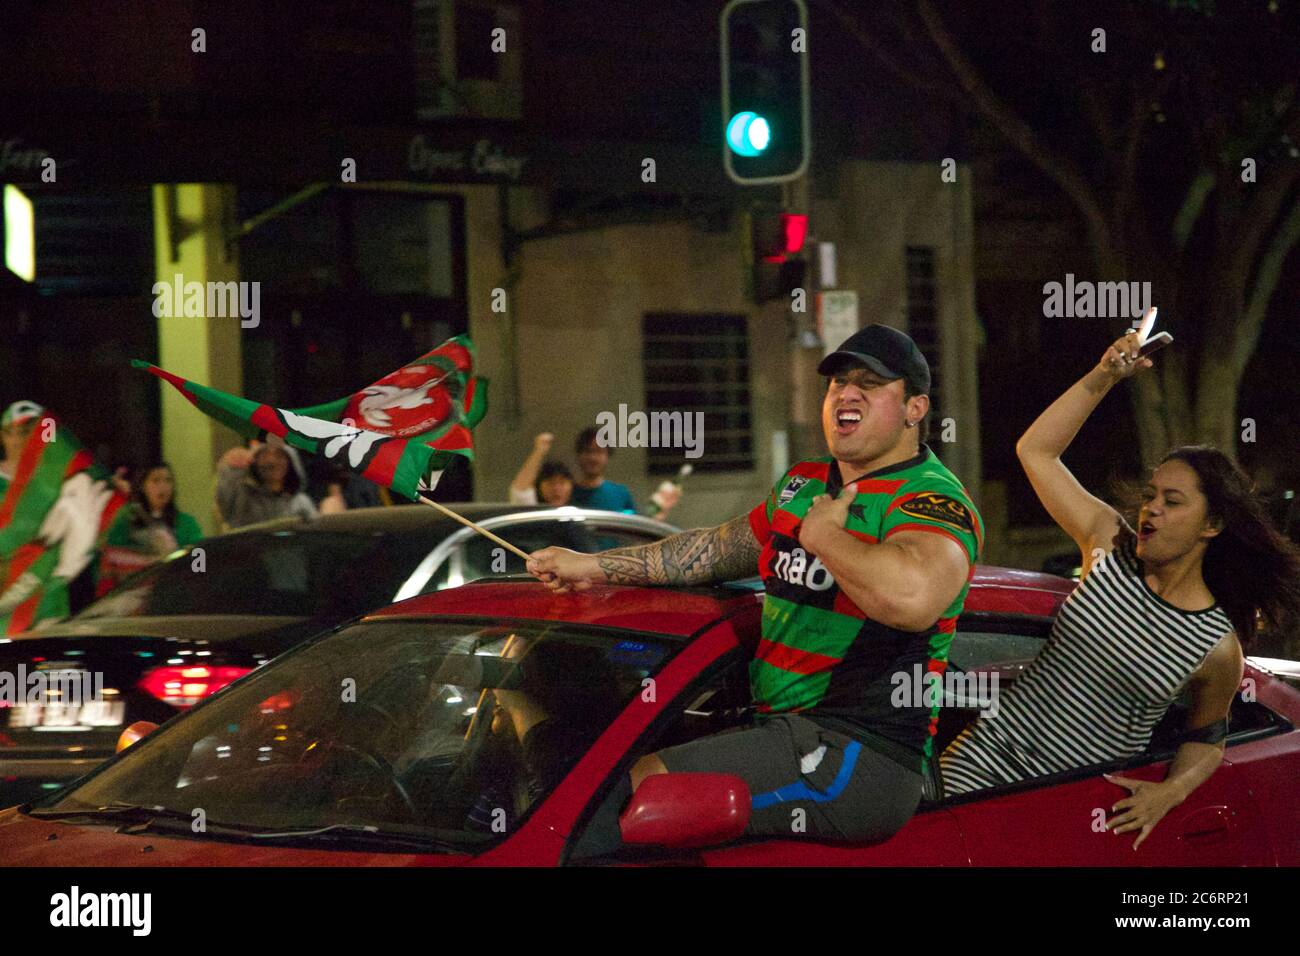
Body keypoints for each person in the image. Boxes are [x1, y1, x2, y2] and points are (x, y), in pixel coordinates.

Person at [528, 325, 983, 844]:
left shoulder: (931, 500)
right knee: (579, 770)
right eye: (837, 383)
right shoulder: (805, 482)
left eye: (869, 383)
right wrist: (590, 566)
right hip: (777, 727)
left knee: (622, 797)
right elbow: (714, 550)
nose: (846, 393)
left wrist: (825, 535)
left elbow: (912, 600)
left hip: (859, 752)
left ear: (914, 408)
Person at [940, 314, 1300, 849]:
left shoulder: (1215, 645)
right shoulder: (1107, 544)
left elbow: (1207, 739)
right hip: (972, 776)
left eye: (1171, 502)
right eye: (1152, 494)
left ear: (1212, 525)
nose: (1151, 508)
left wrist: (1169, 793)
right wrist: (1104, 376)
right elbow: (1035, 452)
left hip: (1065, 809)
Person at [215, 439, 317, 530]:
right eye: (263, 456)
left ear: (290, 461)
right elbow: (223, 497)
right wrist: (230, 467)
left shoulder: (301, 502)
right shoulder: (241, 497)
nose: (271, 461)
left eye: (279, 455)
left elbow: (313, 535)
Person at [105, 462, 202, 556]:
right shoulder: (127, 517)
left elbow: (199, 561)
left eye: (168, 480)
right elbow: (111, 553)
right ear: (142, 486)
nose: (163, 486)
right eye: (156, 480)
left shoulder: (187, 522)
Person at [509, 433, 575, 506]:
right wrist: (539, 451)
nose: (556, 488)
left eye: (562, 483)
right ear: (539, 487)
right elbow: (520, 492)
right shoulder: (533, 511)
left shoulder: (578, 512)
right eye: (551, 483)